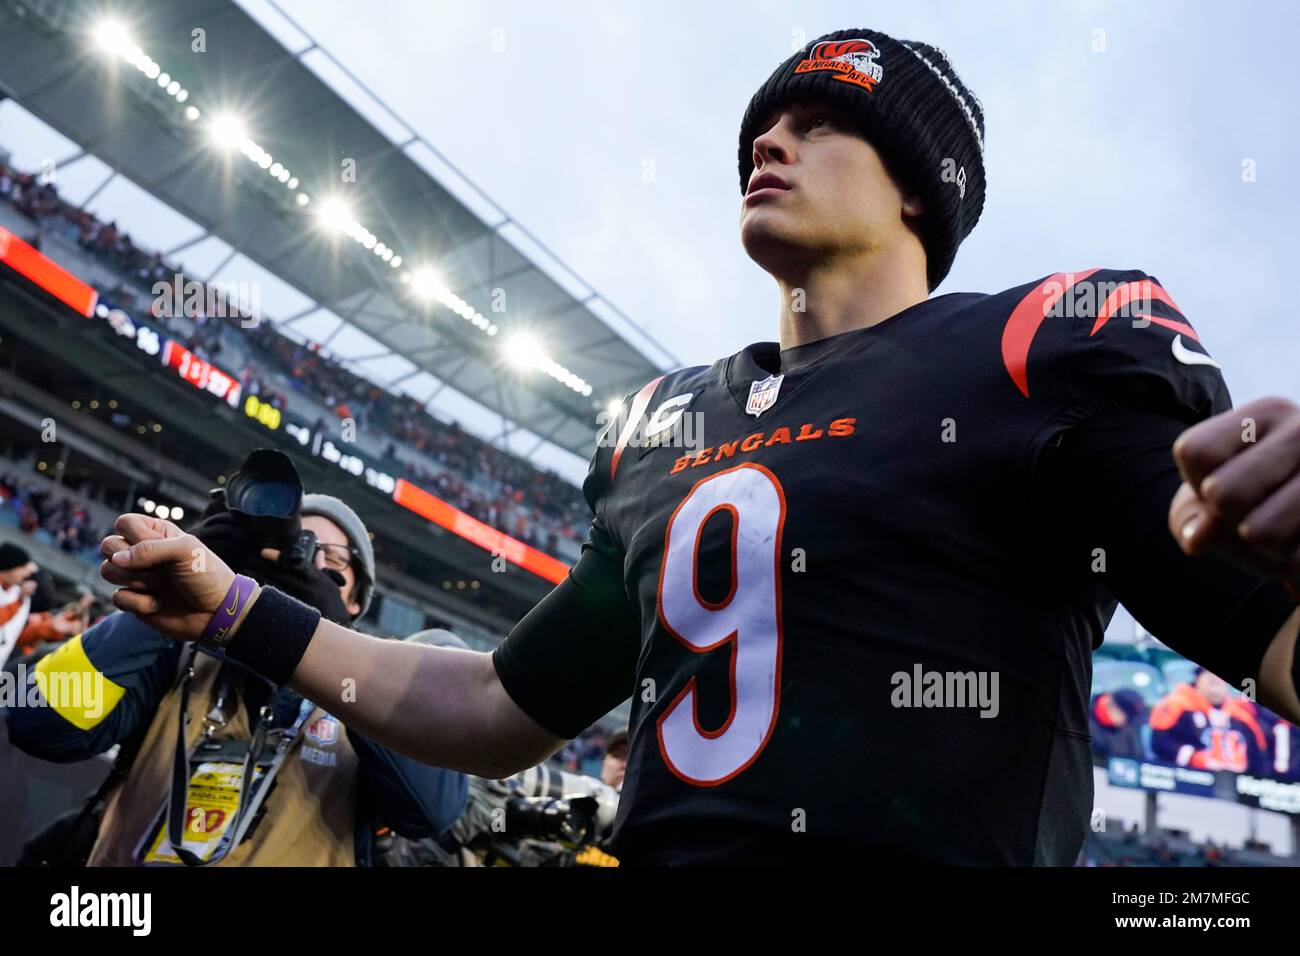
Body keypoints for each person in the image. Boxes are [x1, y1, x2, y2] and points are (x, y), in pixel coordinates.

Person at [95, 28, 1300, 865]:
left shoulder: (1034, 349)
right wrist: (234, 604)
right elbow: (500, 703)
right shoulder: (665, 425)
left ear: (921, 191)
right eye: (761, 125)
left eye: (821, 122)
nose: (769, 142)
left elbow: (1271, 644)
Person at [7, 494, 466, 866]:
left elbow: (432, 810)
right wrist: (166, 604)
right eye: (294, 546)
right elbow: (36, 720)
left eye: (330, 559)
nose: (303, 565)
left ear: (355, 602)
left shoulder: (371, 696)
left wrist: (325, 639)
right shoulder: (181, 659)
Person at [0, 543, 38, 666]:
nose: (26, 573)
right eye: (23, 567)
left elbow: (19, 636)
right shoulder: (20, 598)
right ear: (10, 566)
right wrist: (17, 603)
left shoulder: (21, 595)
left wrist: (51, 629)